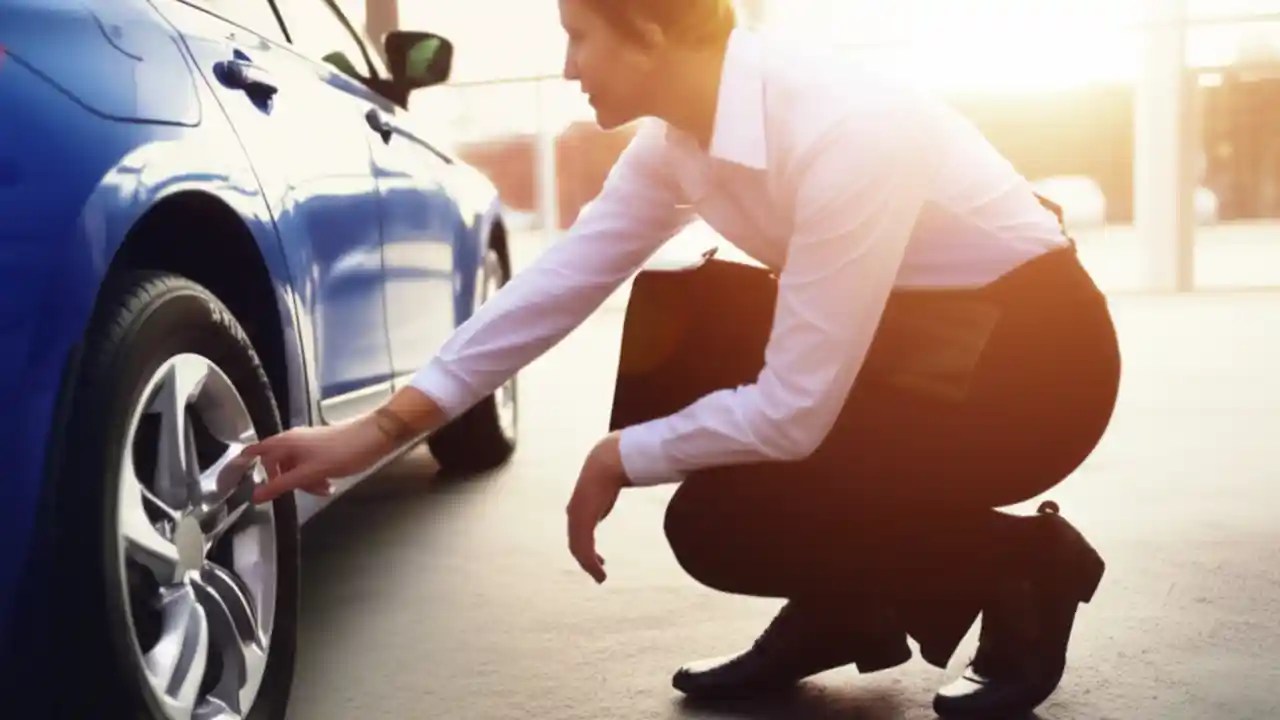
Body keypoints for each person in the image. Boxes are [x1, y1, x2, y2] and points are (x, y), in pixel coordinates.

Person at [244, 0, 1122, 716]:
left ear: (653, 35)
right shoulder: (675, 145)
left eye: (579, 37)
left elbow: (794, 409)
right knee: (718, 508)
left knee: (717, 508)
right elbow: (554, 286)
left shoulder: (844, 124)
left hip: (1031, 368)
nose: (567, 67)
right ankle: (846, 608)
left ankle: (1024, 570)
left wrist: (618, 454)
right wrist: (376, 431)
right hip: (902, 356)